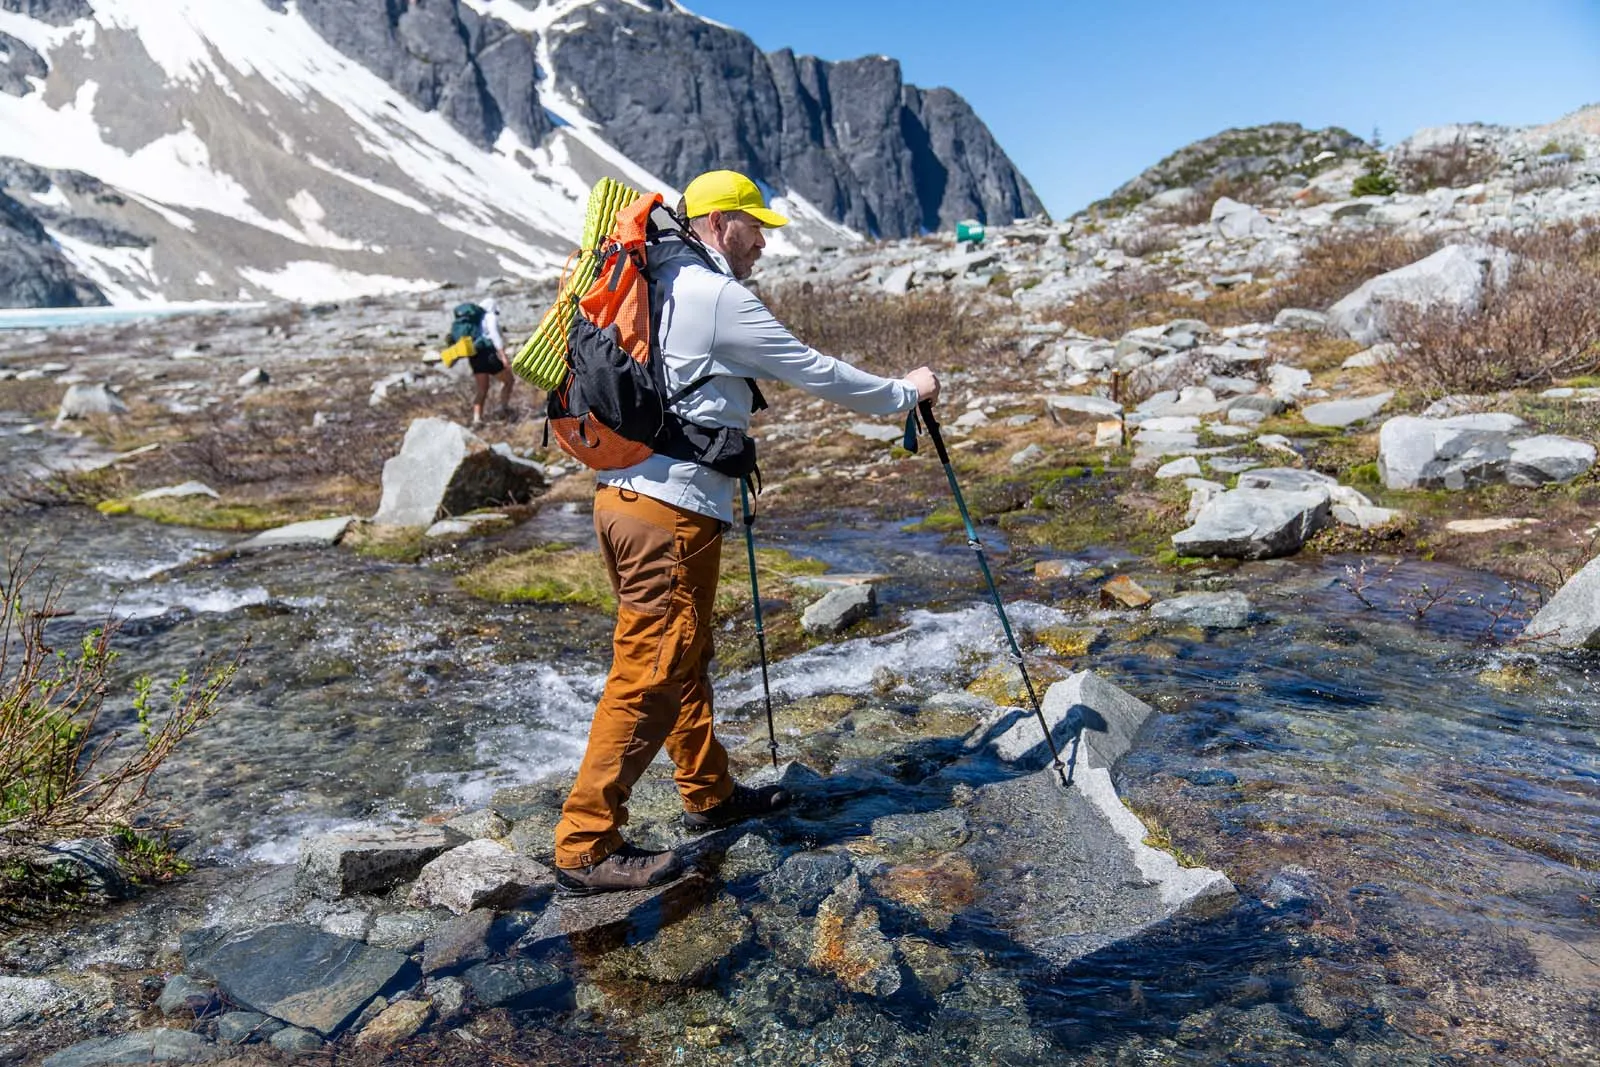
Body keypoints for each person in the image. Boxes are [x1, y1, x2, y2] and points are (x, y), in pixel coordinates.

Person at [553, 170, 940, 896]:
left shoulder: (662, 284)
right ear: (721, 221)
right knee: (649, 673)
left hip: (629, 502)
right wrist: (904, 394)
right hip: (668, 512)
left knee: (681, 653)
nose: (763, 241)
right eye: (755, 225)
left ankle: (708, 792)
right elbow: (812, 369)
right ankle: (584, 842)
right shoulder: (715, 295)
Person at [469, 297, 514, 426]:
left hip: (475, 356)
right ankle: (502, 408)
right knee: (509, 381)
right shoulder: (490, 317)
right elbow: (494, 335)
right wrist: (503, 355)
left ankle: (477, 419)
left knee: (482, 389)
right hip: (489, 355)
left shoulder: (476, 320)